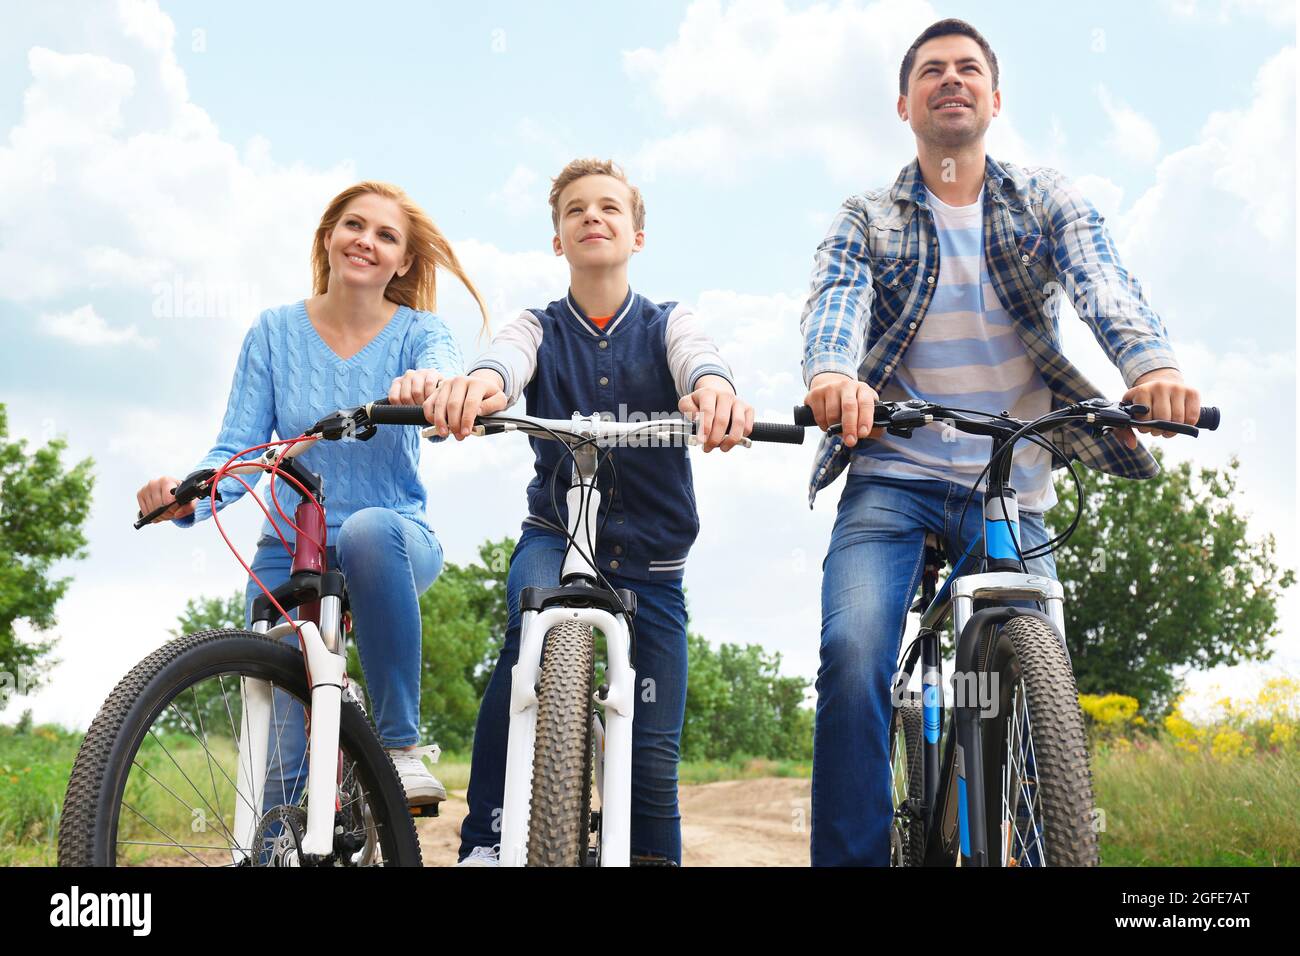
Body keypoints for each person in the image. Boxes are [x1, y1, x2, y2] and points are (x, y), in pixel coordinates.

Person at [798, 19, 1202, 865]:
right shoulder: (868, 215)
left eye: (969, 68)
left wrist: (1153, 366)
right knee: (854, 652)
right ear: (904, 103)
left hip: (1011, 479)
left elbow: (1103, 281)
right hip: (893, 477)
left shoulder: (1043, 199)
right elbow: (836, 301)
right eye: (933, 70)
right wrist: (834, 378)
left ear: (995, 95)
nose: (953, 79)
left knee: (1038, 677)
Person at [428, 158, 753, 866]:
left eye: (609, 208)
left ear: (637, 233)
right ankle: (485, 840)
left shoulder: (670, 322)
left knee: (653, 763)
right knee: (523, 645)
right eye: (576, 210)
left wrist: (713, 391)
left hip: (651, 563)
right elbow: (503, 364)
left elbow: (699, 359)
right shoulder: (537, 324)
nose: (592, 218)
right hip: (556, 536)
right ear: (558, 240)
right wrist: (477, 389)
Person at [135, 181, 490, 810]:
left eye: (386, 236)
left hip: (393, 540)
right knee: (281, 774)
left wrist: (431, 386)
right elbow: (239, 452)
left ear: (404, 262)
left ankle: (400, 749)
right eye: (354, 226)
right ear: (328, 236)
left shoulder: (420, 333)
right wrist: (189, 496)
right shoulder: (273, 333)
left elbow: (445, 378)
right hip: (291, 549)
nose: (366, 242)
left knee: (367, 532)